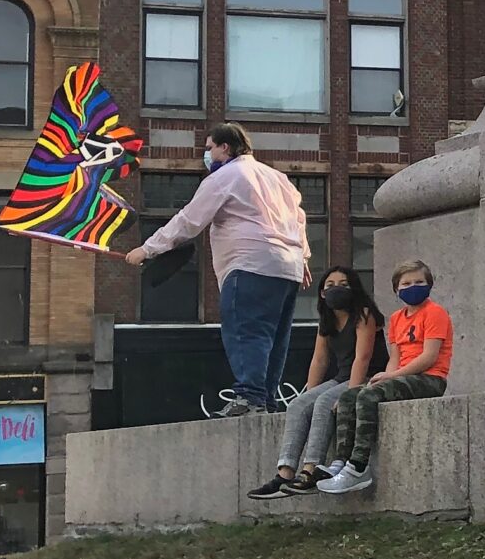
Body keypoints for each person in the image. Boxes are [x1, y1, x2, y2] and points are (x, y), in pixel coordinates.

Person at [124, 123, 311, 418]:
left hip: (249, 262)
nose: (206, 155)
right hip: (287, 267)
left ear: (226, 147)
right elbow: (298, 218)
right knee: (275, 338)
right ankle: (267, 400)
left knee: (245, 331)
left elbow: (189, 220)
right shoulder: (278, 178)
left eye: (210, 148)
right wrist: (304, 257)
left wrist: (147, 249)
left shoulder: (227, 175)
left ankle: (249, 397)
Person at [316, 260, 454, 496]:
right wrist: (386, 377)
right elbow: (395, 357)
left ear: (429, 285)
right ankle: (340, 462)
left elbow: (429, 357)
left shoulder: (435, 313)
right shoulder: (398, 319)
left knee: (369, 396)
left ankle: (358, 467)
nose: (413, 287)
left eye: (419, 282)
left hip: (429, 379)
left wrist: (392, 376)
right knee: (351, 395)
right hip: (402, 376)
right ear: (396, 290)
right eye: (406, 283)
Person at [255, 266, 387, 499]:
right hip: (341, 376)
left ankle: (310, 471)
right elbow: (319, 360)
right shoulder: (326, 321)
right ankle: (285, 473)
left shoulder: (364, 314)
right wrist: (310, 395)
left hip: (368, 376)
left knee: (325, 401)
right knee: (298, 405)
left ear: (354, 288)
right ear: (322, 293)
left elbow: (363, 357)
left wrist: (348, 394)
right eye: (330, 285)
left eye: (344, 284)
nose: (337, 289)